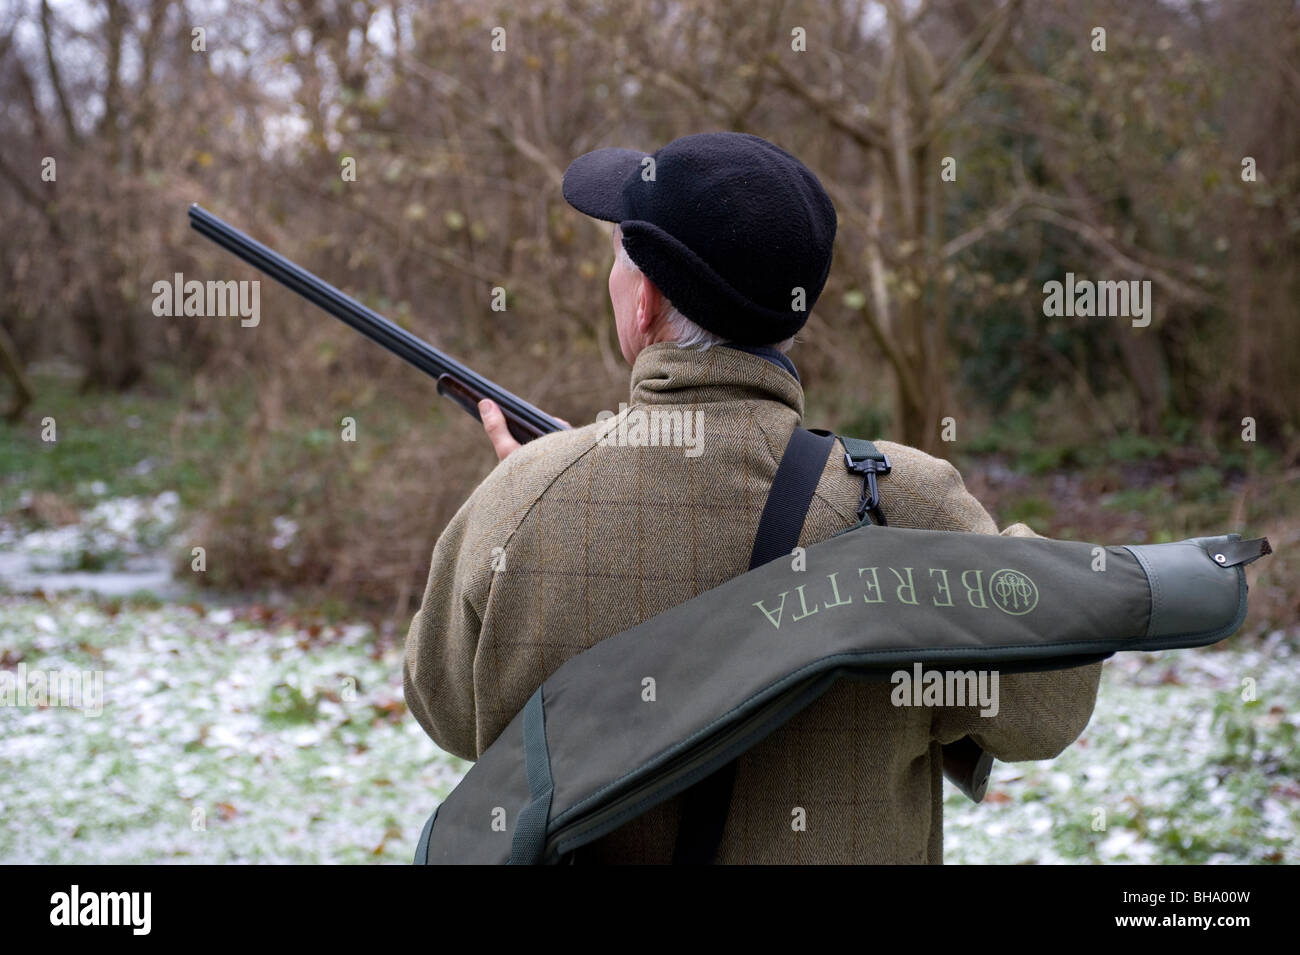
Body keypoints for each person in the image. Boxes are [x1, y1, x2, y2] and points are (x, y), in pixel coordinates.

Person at [403, 131, 1103, 864]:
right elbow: (1046, 710)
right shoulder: (911, 502)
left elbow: (446, 709)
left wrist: (540, 495)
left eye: (616, 256)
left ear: (644, 299)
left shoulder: (519, 498)